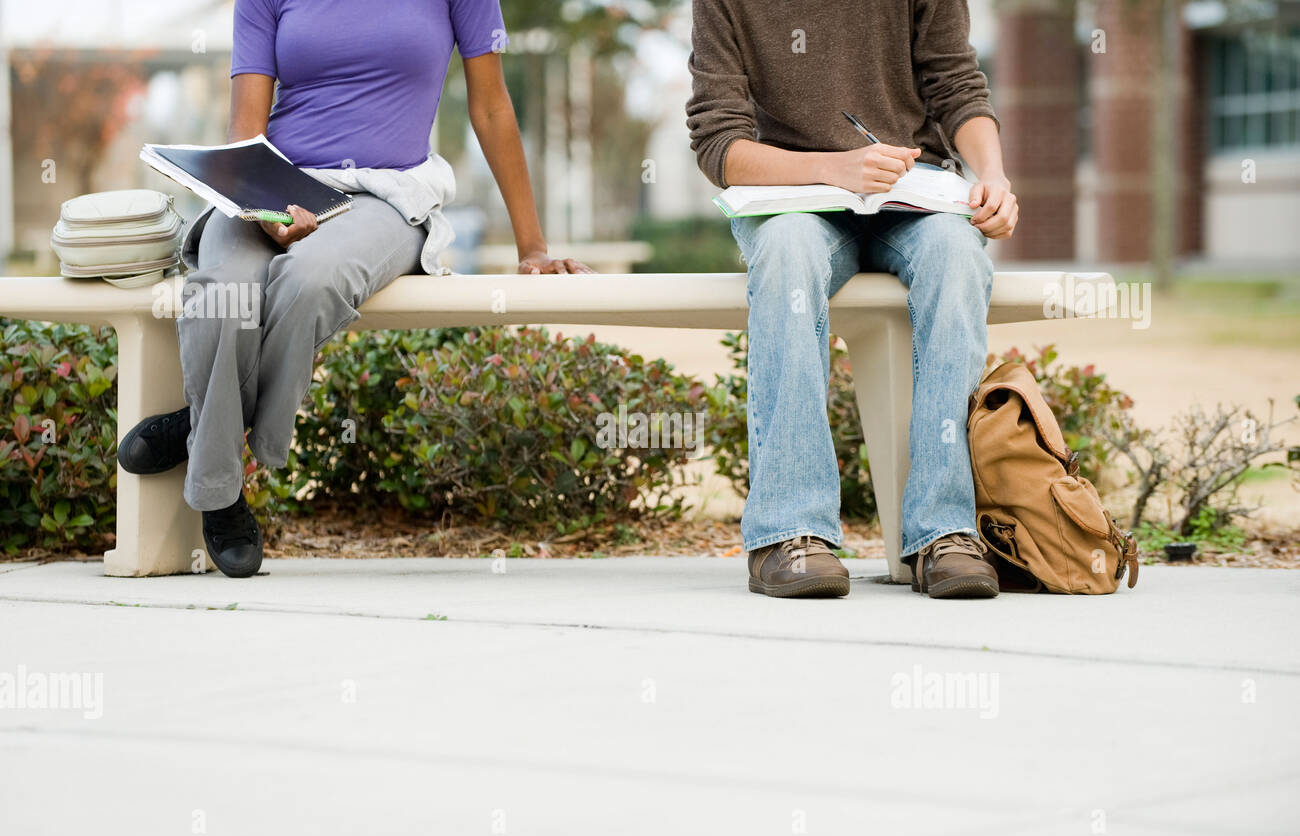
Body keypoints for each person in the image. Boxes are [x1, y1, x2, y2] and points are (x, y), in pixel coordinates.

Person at [117, 0, 590, 578]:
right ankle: (222, 492)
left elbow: (490, 108)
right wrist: (265, 211)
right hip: (274, 184)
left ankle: (205, 436)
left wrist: (532, 247)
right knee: (221, 291)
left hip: (385, 196)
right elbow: (246, 131)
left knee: (310, 281)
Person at [686, 0, 1020, 599]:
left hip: (914, 199)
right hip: (793, 200)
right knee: (787, 249)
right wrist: (835, 167)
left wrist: (991, 175)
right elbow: (720, 144)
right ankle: (789, 533)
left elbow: (956, 84)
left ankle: (943, 533)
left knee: (956, 253)